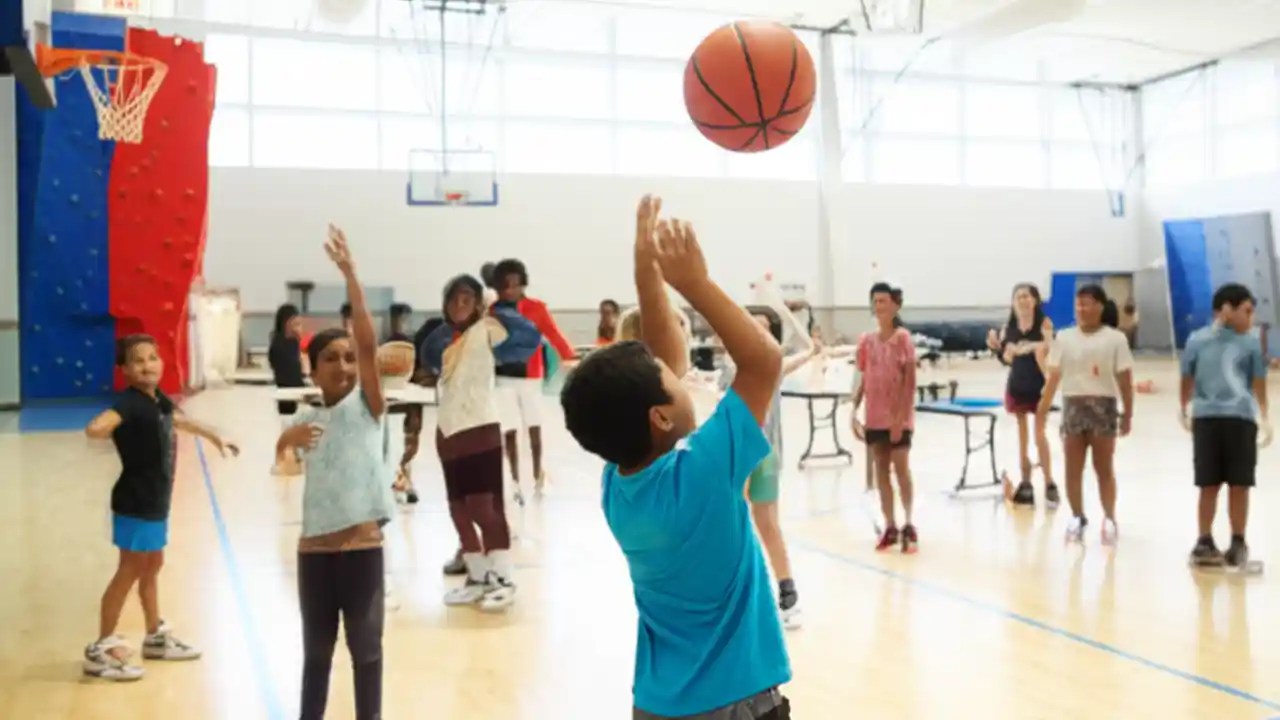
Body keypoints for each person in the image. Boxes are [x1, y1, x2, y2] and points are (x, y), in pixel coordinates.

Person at [561, 195, 791, 720]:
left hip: (659, 706)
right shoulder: (704, 474)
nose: (681, 376)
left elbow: (661, 362)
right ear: (660, 417)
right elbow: (763, 361)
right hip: (736, 706)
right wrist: (694, 282)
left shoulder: (618, 485)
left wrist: (648, 276)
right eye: (674, 383)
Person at [275, 226, 396, 720]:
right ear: (313, 369)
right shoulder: (304, 419)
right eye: (331, 358)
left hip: (363, 550)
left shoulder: (368, 406)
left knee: (366, 654)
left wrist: (351, 274)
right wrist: (285, 441)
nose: (344, 365)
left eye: (348, 358)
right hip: (314, 555)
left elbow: (368, 342)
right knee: (316, 657)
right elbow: (280, 465)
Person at [82, 334, 239, 682]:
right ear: (123, 370)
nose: (147, 365)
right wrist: (101, 427)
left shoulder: (156, 401)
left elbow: (179, 421)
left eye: (152, 357)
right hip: (135, 501)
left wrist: (215, 436)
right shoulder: (130, 403)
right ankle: (100, 647)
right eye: (138, 360)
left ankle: (154, 635)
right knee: (130, 569)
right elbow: (99, 425)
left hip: (155, 499)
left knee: (152, 565)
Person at [420, 274, 542, 611]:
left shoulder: (488, 329)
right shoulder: (444, 338)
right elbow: (427, 358)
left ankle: (503, 575)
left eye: (467, 299)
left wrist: (498, 308)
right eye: (454, 298)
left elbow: (530, 337)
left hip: (479, 427)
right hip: (447, 430)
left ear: (478, 303)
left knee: (484, 508)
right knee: (458, 509)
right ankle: (476, 575)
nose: (460, 305)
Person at [720, 311, 820, 630]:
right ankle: (740, 597)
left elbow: (792, 363)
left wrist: (812, 352)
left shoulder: (770, 365)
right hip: (736, 456)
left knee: (767, 525)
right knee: (736, 526)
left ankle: (787, 593)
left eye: (762, 329)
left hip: (765, 456)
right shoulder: (731, 368)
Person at [1038, 284, 1134, 544]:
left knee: (1103, 468)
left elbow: (1124, 378)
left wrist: (1128, 413)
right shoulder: (1064, 337)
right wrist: (1043, 408)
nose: (1081, 309)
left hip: (1103, 408)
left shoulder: (1115, 339)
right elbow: (1054, 377)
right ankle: (1077, 516)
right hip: (1073, 407)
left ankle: (1110, 517)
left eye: (1087, 303)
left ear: (1100, 306)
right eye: (1078, 304)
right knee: (1072, 468)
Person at [1183, 283, 1269, 568]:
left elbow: (1258, 382)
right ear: (1227, 309)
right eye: (1246, 310)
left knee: (1240, 483)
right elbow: (1187, 377)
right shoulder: (1198, 340)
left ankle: (1238, 540)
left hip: (1241, 419)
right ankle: (1204, 540)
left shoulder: (1251, 343)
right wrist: (1184, 407)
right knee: (1208, 482)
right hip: (1207, 419)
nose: (1251, 317)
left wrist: (1265, 416)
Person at [491, 258, 576, 497]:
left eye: (515, 284)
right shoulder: (492, 311)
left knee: (534, 426)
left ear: (523, 284)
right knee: (509, 429)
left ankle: (538, 474)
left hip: (531, 376)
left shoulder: (536, 308)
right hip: (503, 377)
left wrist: (571, 358)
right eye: (505, 285)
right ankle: (514, 477)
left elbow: (553, 334)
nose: (510, 290)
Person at [852, 282, 918, 553]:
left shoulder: (903, 339)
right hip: (874, 417)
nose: (879, 306)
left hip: (898, 420)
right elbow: (864, 379)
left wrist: (899, 419)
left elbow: (909, 384)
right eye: (875, 301)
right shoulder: (866, 342)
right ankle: (889, 523)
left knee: (901, 469)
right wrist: (854, 411)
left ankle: (909, 523)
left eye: (884, 301)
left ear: (895, 305)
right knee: (881, 471)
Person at [986, 283, 1059, 507]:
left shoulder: (1044, 324)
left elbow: (1051, 347)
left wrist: (1030, 348)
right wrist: (999, 349)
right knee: (1022, 438)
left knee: (1039, 435)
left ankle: (1048, 482)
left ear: (1035, 300)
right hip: (1018, 384)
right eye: (1018, 297)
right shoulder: (1008, 328)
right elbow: (1006, 359)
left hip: (1039, 386)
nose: (1023, 300)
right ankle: (1026, 482)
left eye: (1027, 296)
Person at [269, 303, 308, 475]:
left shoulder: (294, 344)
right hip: (285, 391)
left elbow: (301, 369)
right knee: (287, 428)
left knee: (298, 425)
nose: (297, 327)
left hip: (298, 390)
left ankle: (297, 458)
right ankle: (282, 460)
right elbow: (284, 368)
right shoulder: (279, 344)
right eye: (294, 323)